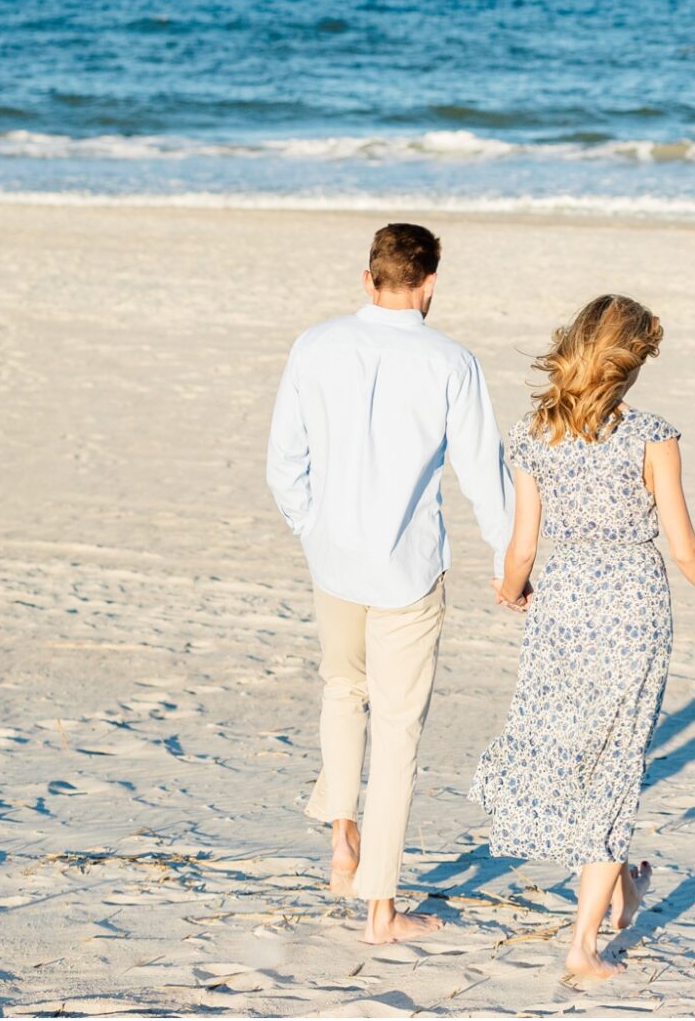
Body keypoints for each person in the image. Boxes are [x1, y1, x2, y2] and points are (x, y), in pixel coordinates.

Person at [469, 293, 695, 983]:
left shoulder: (536, 432)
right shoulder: (652, 435)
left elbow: (522, 543)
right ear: (632, 363)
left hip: (563, 600)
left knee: (576, 749)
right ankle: (581, 948)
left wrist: (512, 589)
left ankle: (623, 890)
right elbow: (681, 546)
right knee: (616, 762)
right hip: (631, 602)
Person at [267, 221, 513, 946]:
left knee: (343, 692)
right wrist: (509, 563)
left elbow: (284, 459)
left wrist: (309, 524)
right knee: (398, 730)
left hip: (333, 558)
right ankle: (380, 909)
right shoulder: (450, 360)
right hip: (405, 566)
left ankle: (343, 840)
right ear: (430, 283)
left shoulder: (315, 344)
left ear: (367, 279)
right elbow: (481, 473)